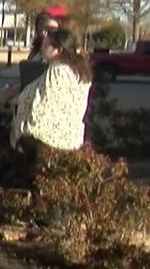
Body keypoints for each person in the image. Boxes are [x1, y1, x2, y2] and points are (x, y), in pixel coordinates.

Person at [8, 28, 94, 175]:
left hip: (47, 142)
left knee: (39, 188)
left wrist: (25, 135)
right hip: (69, 140)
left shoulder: (58, 71)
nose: (41, 47)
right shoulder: (78, 71)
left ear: (58, 50)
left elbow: (43, 105)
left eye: (46, 44)